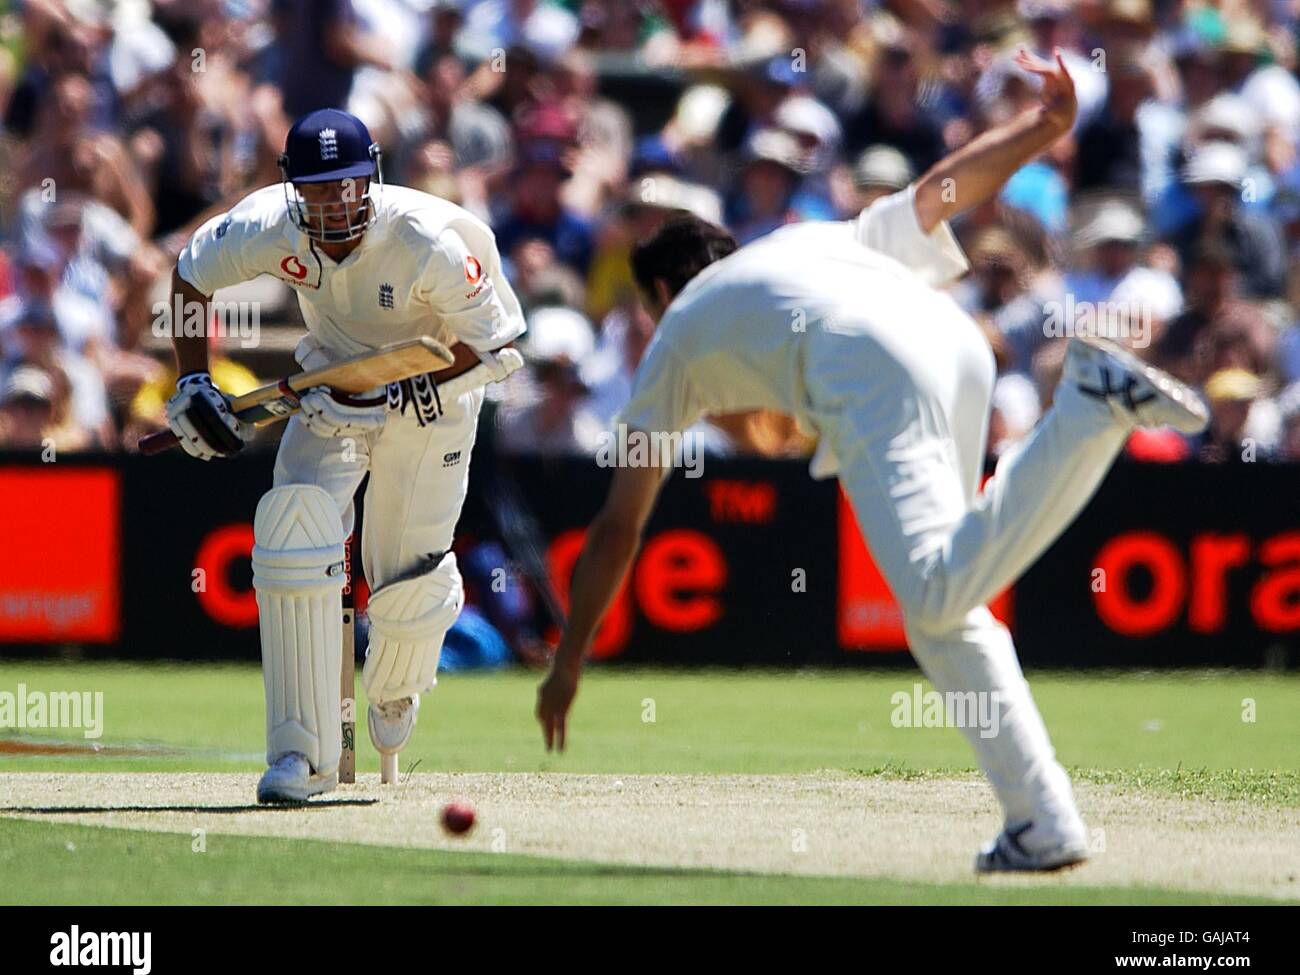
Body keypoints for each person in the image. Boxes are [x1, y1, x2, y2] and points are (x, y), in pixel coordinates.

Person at [534, 52, 1209, 873]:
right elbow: (941, 193)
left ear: (663, 293)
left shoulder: (676, 339)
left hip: (869, 367)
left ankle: (1088, 407)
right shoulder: (807, 245)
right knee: (949, 611)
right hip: (954, 343)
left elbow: (615, 526)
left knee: (931, 587)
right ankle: (1043, 821)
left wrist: (568, 660)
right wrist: (1040, 127)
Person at [162, 108, 526, 803]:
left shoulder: (429, 241)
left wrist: (394, 390)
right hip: (329, 383)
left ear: (373, 177)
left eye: (349, 185)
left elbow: (497, 347)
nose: (335, 202)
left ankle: (396, 687)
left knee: (406, 585)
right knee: (292, 533)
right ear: (294, 188)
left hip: (434, 395)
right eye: (319, 189)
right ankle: (303, 753)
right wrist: (192, 378)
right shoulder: (267, 225)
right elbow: (188, 275)